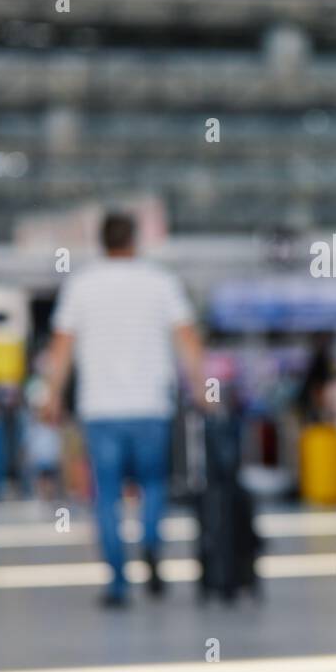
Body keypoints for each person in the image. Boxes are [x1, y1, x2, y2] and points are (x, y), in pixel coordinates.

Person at [45, 212, 205, 608]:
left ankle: (117, 582)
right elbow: (187, 338)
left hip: (99, 409)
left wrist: (50, 394)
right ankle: (150, 544)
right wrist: (204, 388)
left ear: (101, 241)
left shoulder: (80, 284)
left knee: (107, 495)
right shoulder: (160, 281)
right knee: (153, 485)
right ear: (135, 239)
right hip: (151, 404)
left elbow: (62, 346)